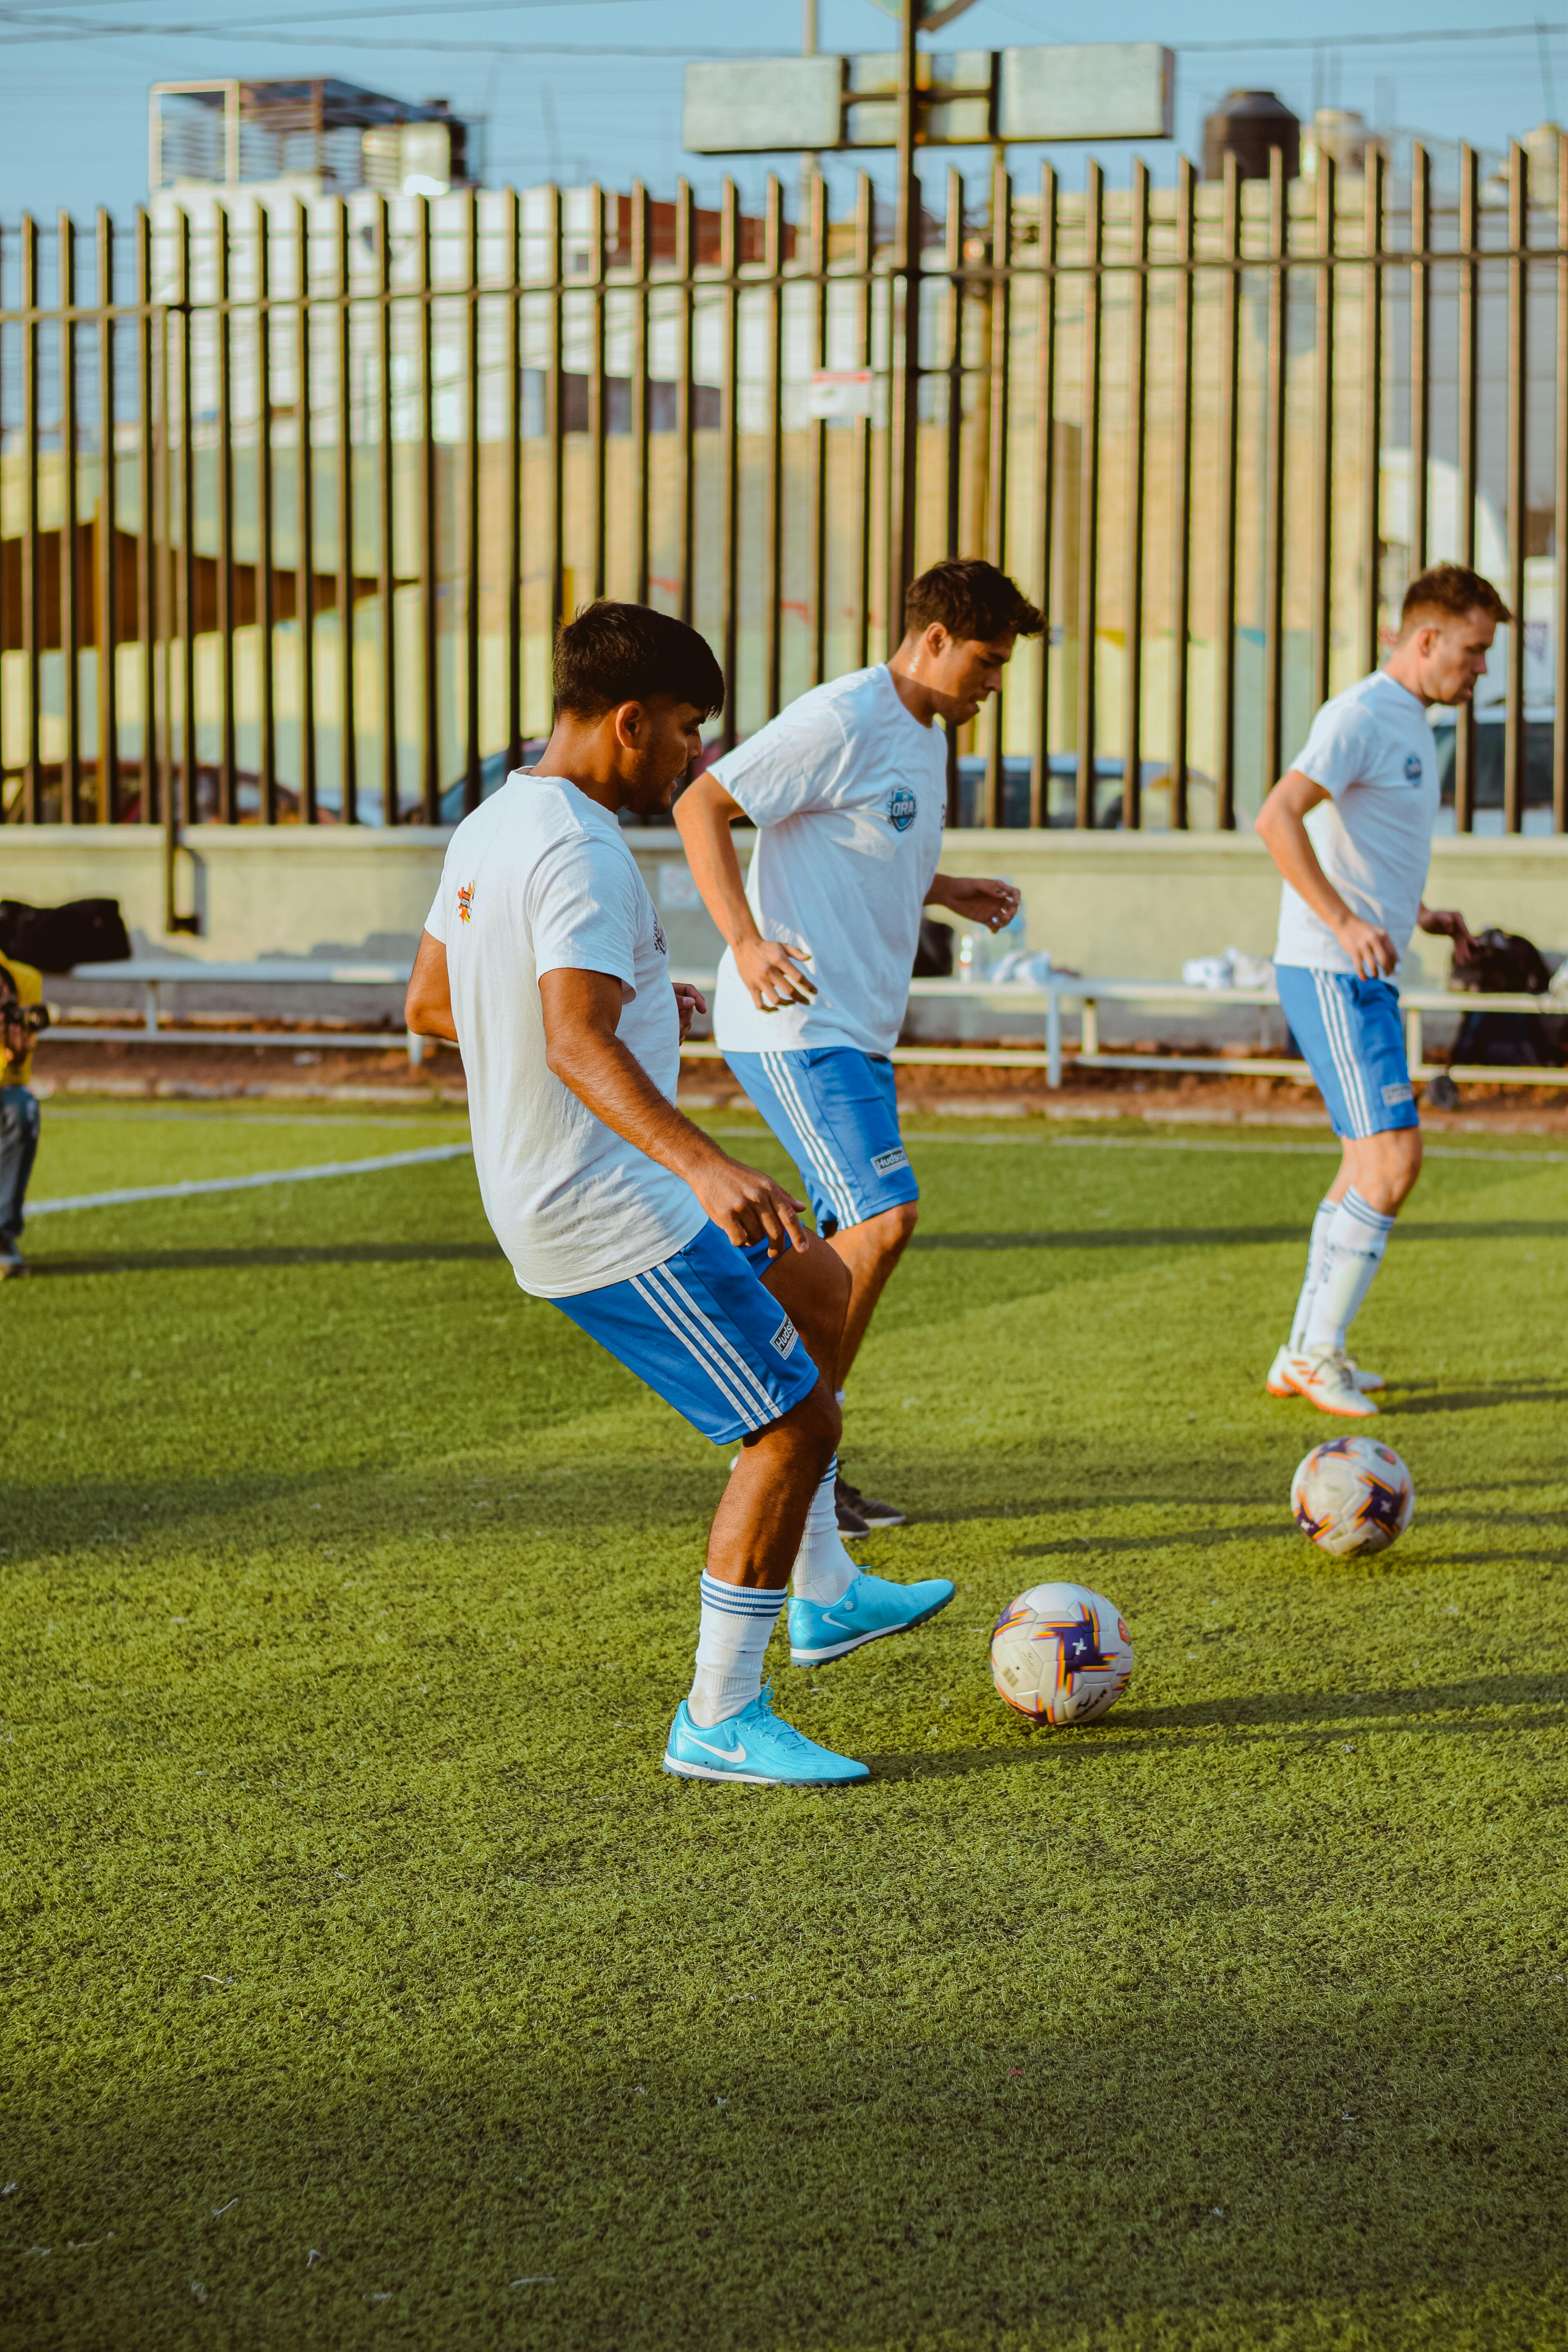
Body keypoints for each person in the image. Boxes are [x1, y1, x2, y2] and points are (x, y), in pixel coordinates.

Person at [404, 601, 954, 1789]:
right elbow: (573, 1040)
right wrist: (702, 1159)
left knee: (816, 1292)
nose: (693, 760)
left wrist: (617, 1023)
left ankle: (825, 1594)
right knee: (797, 1421)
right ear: (628, 719)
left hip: (588, 1178)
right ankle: (719, 1711)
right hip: (606, 1201)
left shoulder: (493, 821)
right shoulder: (581, 845)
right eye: (687, 734)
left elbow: (431, 1005)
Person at [674, 557, 1041, 1543]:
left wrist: (946, 886)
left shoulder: (924, 737)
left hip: (859, 1032)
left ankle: (801, 1459)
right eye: (986, 660)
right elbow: (700, 805)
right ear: (931, 639)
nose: (993, 682)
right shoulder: (844, 716)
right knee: (885, 1220)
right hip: (798, 1022)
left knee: (836, 1249)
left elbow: (860, 845)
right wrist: (744, 944)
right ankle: (792, 1443)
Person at [1256, 562, 1509, 1417]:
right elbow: (1277, 816)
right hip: (1331, 969)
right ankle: (1313, 1350)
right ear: (1425, 639)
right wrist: (1343, 923)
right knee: (1392, 1160)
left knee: (1363, 1165)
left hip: (1361, 967)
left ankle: (1303, 1349)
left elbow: (1361, 844)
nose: (1480, 669)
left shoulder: (1404, 721)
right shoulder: (1360, 713)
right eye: (1473, 651)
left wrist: (1417, 916)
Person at [0, 948, 46, 1279]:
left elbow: (17, 1078)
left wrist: (11, 1053)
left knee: (21, 1107)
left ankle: (2, 1236)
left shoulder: (26, 982)